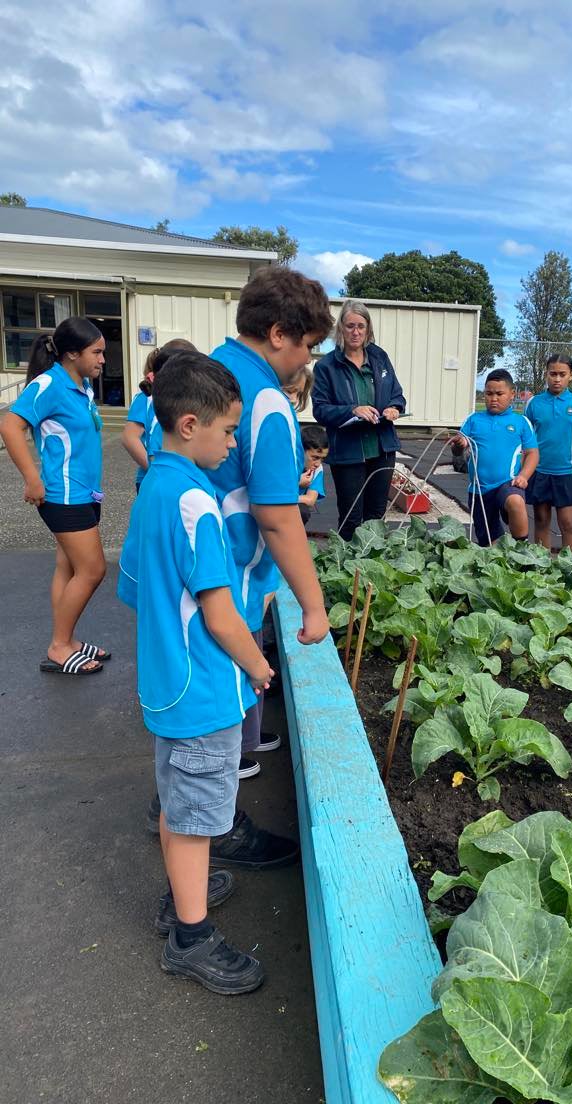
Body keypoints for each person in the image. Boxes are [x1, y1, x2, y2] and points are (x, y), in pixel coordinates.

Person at [118, 351, 272, 994]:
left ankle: (186, 887)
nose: (234, 441)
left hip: (166, 677)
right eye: (229, 430)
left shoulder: (155, 484)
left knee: (176, 797)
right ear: (189, 424)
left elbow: (131, 585)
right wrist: (260, 666)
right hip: (204, 687)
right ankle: (191, 936)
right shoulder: (196, 504)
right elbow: (218, 615)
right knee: (195, 813)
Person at [194, 266, 333, 868]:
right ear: (280, 333)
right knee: (220, 709)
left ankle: (178, 806)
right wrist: (314, 603)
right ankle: (212, 826)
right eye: (308, 345)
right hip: (225, 581)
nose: (308, 357)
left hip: (186, 573)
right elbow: (278, 518)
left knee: (193, 705)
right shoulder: (267, 402)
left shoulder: (201, 372)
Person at [1, 318, 108, 675]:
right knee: (93, 570)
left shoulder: (82, 385)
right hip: (63, 496)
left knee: (69, 566)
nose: (103, 359)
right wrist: (32, 478)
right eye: (97, 352)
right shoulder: (48, 384)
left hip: (85, 493)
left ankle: (68, 638)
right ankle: (60, 645)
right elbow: (9, 424)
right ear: (72, 353)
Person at [311, 300, 406, 540]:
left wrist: (395, 407)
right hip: (348, 451)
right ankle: (347, 571)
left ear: (368, 329)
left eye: (361, 326)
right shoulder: (326, 367)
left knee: (376, 515)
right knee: (352, 517)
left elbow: (396, 392)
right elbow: (320, 410)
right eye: (350, 325)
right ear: (340, 328)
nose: (355, 332)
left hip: (382, 447)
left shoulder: (379, 357)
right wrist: (352, 410)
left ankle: (372, 570)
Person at [450, 369, 539, 546]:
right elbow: (457, 451)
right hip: (479, 489)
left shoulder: (520, 422)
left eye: (499, 394)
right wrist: (458, 446)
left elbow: (532, 453)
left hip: (507, 483)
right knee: (489, 542)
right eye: (489, 394)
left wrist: (524, 476)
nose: (494, 398)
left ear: (512, 394)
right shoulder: (474, 420)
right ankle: (497, 559)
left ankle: (522, 549)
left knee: (516, 501)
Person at [525, 355, 572, 552]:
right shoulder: (534, 403)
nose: (557, 379)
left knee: (568, 523)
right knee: (541, 520)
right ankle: (542, 571)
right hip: (539, 472)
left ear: (571, 375)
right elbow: (525, 442)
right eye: (553, 374)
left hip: (566, 473)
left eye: (562, 374)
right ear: (546, 374)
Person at [121, 339, 196, 494]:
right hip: (153, 477)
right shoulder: (146, 398)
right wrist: (153, 468)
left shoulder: (184, 399)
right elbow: (130, 438)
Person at [298, 424, 329, 525]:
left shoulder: (317, 469)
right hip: (270, 504)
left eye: (322, 458)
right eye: (315, 457)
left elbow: (310, 500)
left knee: (303, 511)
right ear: (300, 451)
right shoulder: (288, 463)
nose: (318, 463)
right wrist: (297, 482)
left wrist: (285, 497)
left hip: (291, 503)